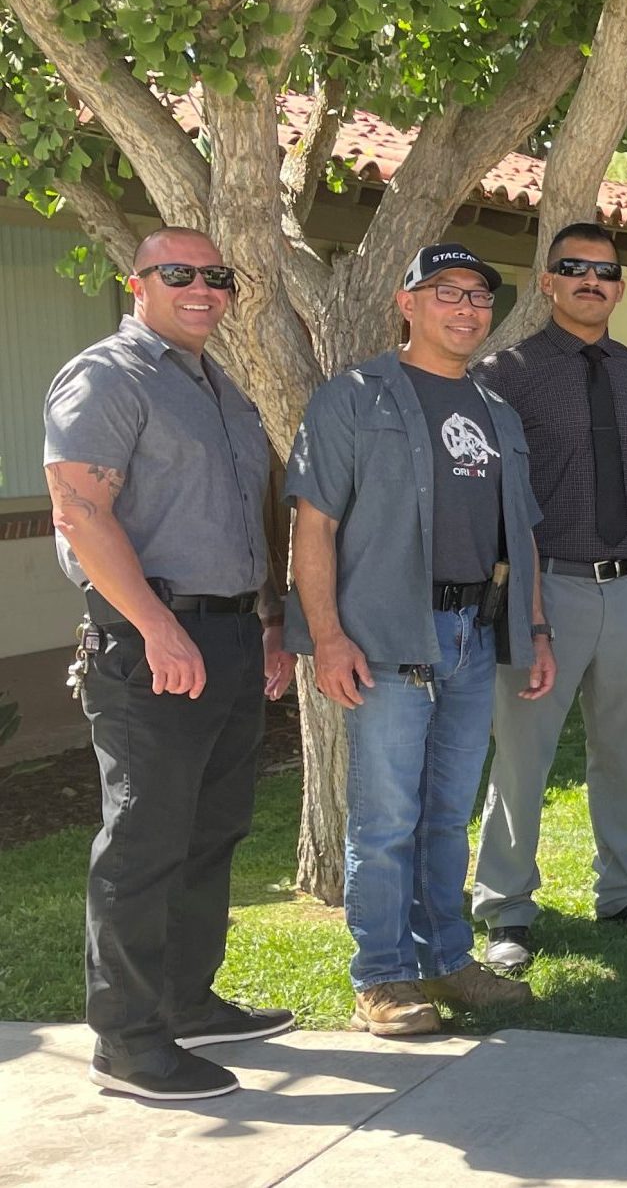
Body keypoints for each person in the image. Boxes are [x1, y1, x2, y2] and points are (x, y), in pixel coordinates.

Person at [45, 228, 298, 1101]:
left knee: (213, 828)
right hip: (150, 638)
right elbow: (79, 510)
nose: (202, 288)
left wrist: (267, 619)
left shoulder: (218, 387)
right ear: (138, 283)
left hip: (227, 636)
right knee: (146, 840)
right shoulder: (108, 374)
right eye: (178, 273)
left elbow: (244, 515)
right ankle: (127, 1042)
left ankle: (188, 1000)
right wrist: (154, 625)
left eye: (216, 275)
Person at [287, 242, 550, 1037]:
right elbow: (313, 526)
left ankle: (445, 957)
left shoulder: (496, 413)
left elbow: (524, 534)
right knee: (384, 818)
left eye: (480, 294)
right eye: (447, 292)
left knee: (445, 815)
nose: (467, 307)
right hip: (388, 638)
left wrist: (532, 628)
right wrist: (327, 637)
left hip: (474, 633)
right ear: (407, 302)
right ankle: (382, 977)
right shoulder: (352, 399)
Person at [472, 224, 627, 970]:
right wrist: (519, 593)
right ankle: (505, 905)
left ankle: (625, 888)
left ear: (620, 287)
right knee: (523, 756)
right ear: (548, 280)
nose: (590, 281)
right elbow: (494, 493)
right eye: (574, 269)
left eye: (604, 271)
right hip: (546, 592)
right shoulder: (508, 373)